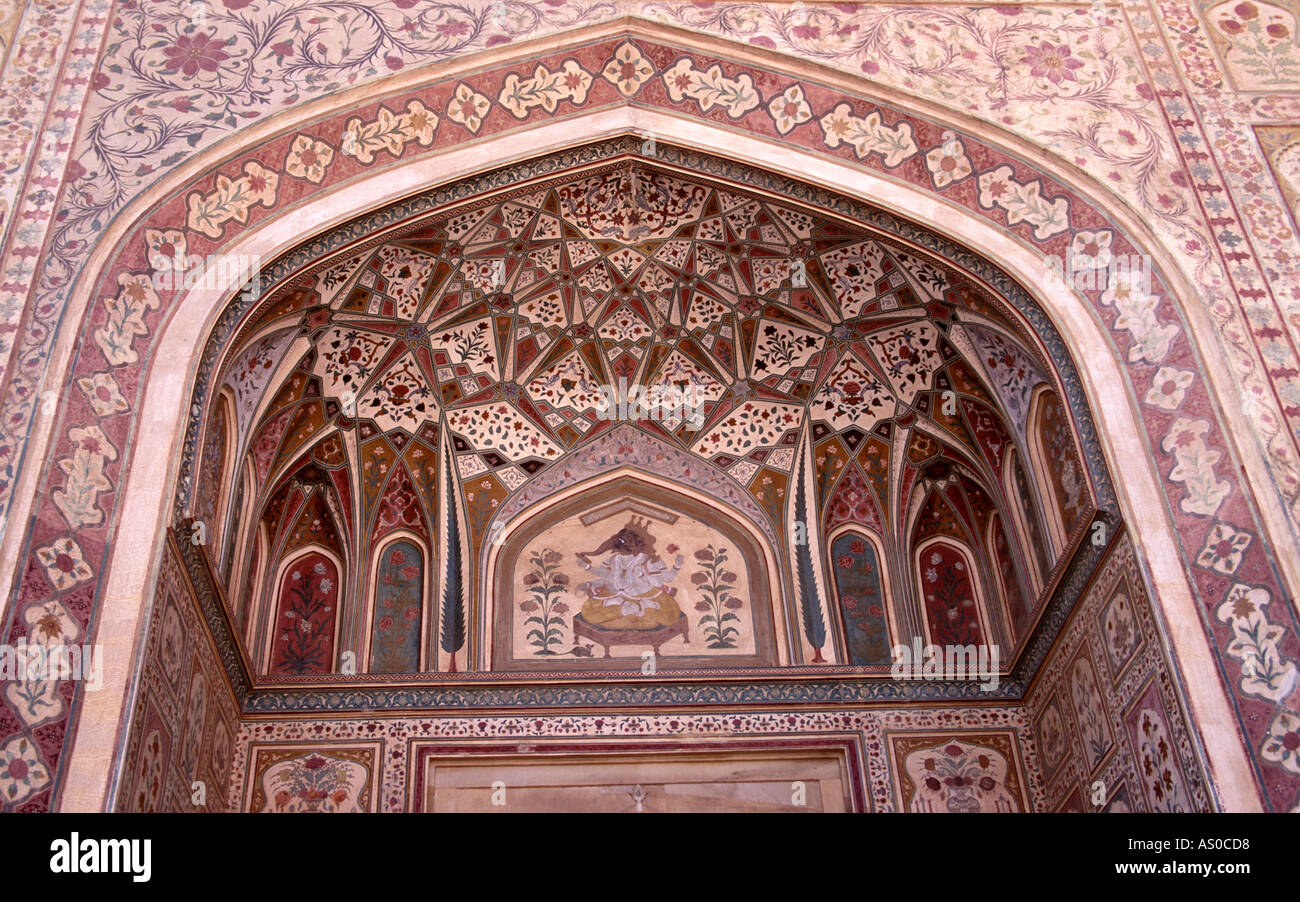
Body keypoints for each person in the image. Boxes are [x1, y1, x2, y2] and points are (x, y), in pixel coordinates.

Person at [575, 517, 684, 629]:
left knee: (670, 615)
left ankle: (641, 606)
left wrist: (676, 566)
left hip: (645, 594)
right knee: (589, 613)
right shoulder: (614, 560)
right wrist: (587, 567)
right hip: (617, 594)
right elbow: (605, 575)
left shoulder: (648, 560)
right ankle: (624, 606)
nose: (623, 553)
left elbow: (666, 578)